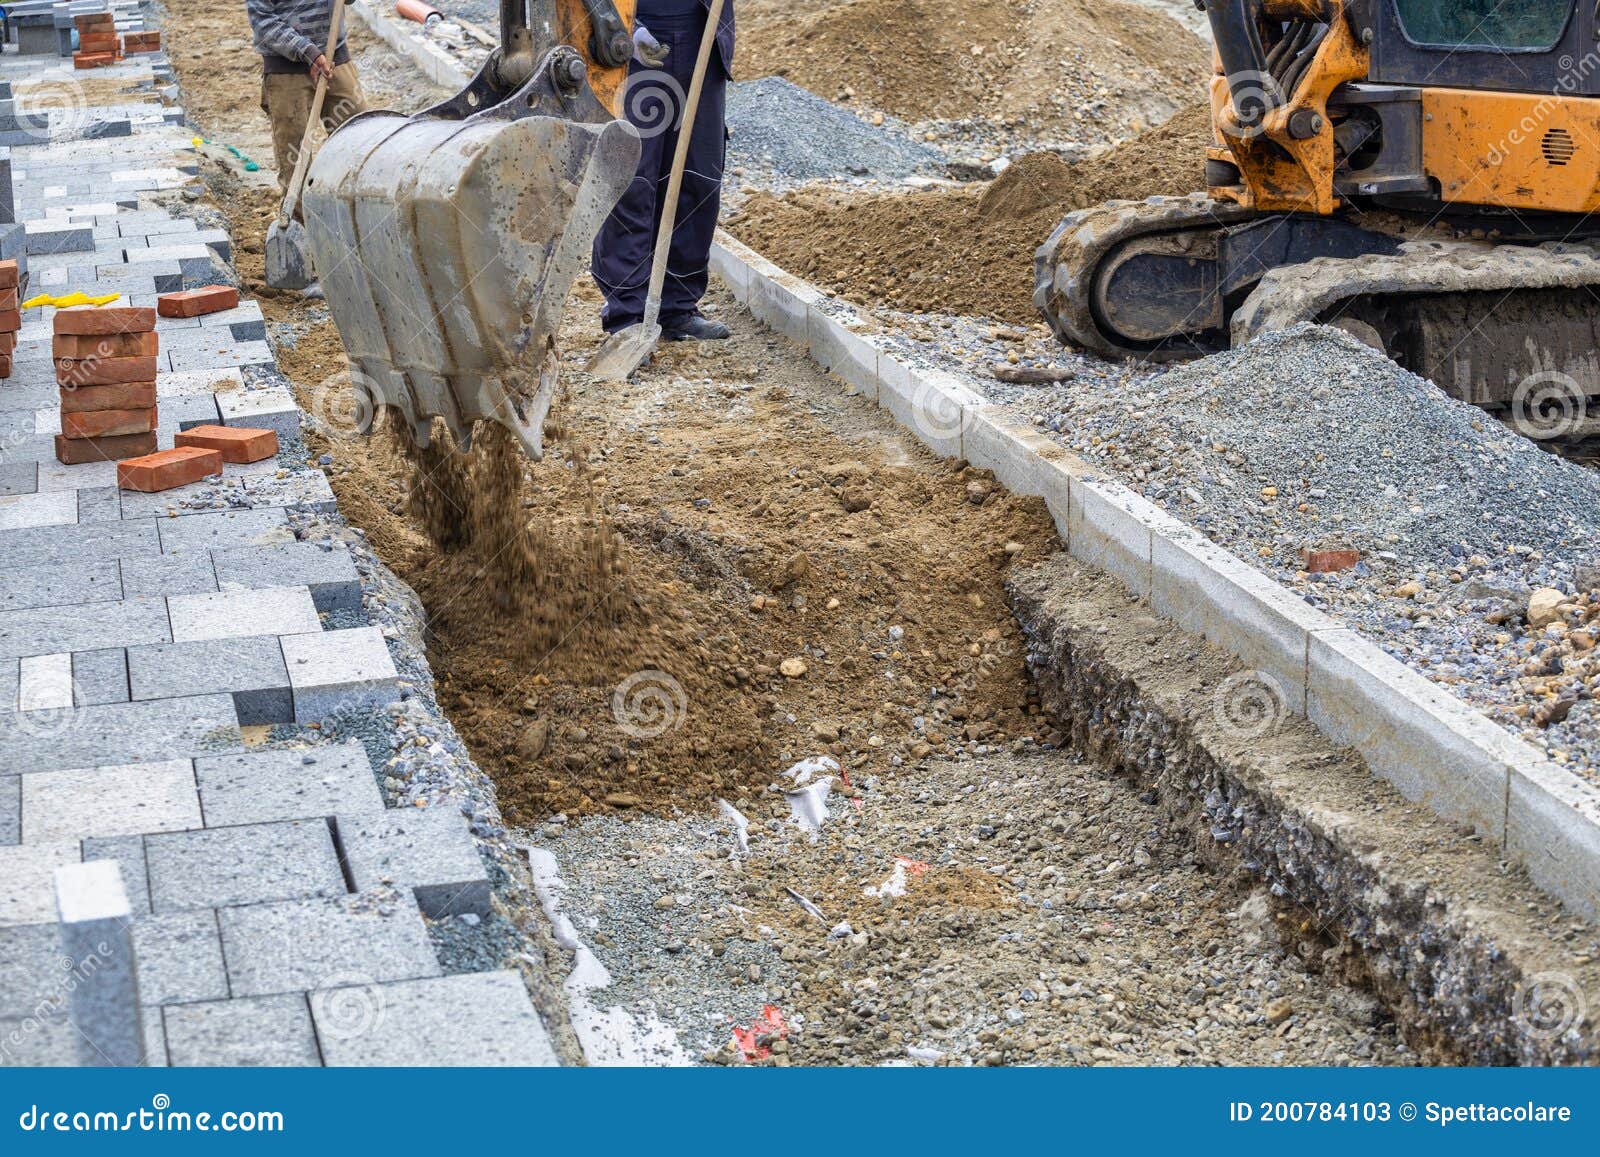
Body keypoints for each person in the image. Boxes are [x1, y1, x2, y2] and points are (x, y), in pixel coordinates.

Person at [591, 0, 736, 341]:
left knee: (697, 175)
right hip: (632, 32)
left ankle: (676, 306)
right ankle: (627, 314)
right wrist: (624, 28)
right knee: (633, 178)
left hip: (702, 29)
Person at [245, 0, 369, 193]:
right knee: (295, 159)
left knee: (358, 140)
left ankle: (353, 206)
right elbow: (262, 21)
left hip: (335, 59)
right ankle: (299, 210)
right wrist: (306, 51)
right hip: (286, 71)